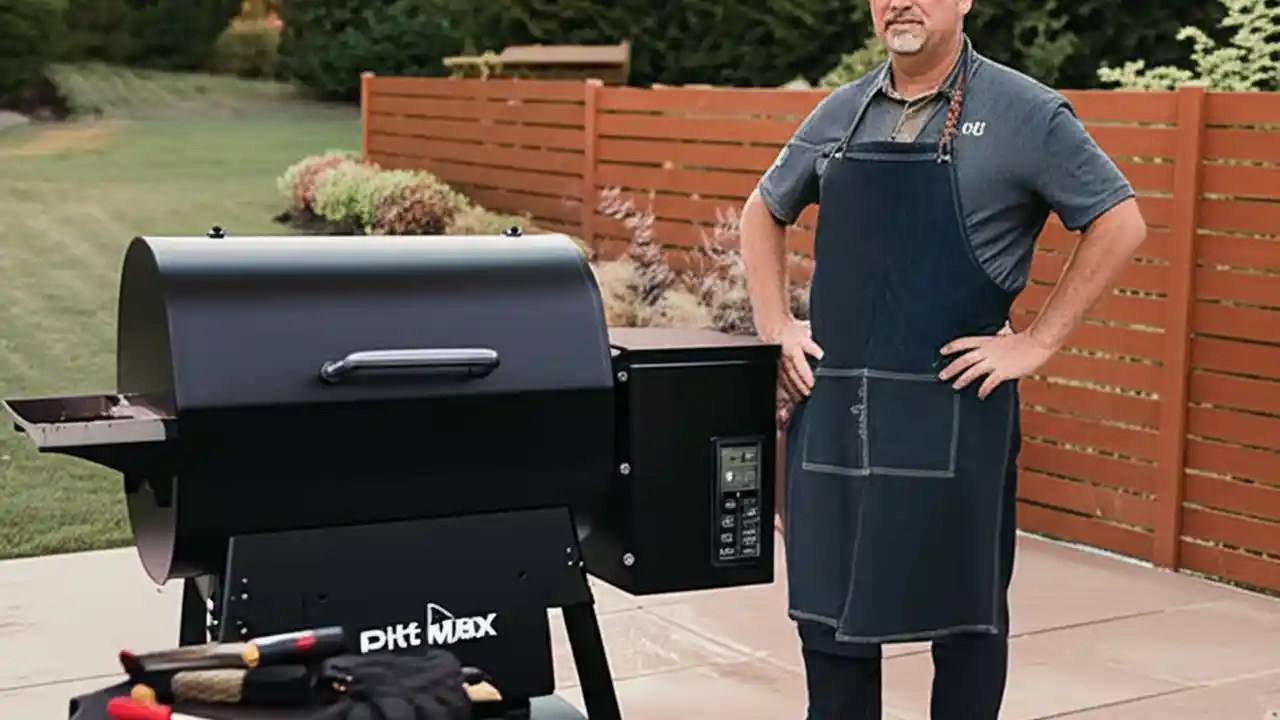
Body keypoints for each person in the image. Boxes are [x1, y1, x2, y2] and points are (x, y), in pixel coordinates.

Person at [739, 0, 1149, 718]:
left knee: (966, 626)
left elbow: (1120, 220)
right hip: (835, 420)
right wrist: (776, 325)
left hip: (954, 416)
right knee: (828, 628)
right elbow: (762, 210)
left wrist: (1036, 342)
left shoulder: (1026, 113)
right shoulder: (840, 113)